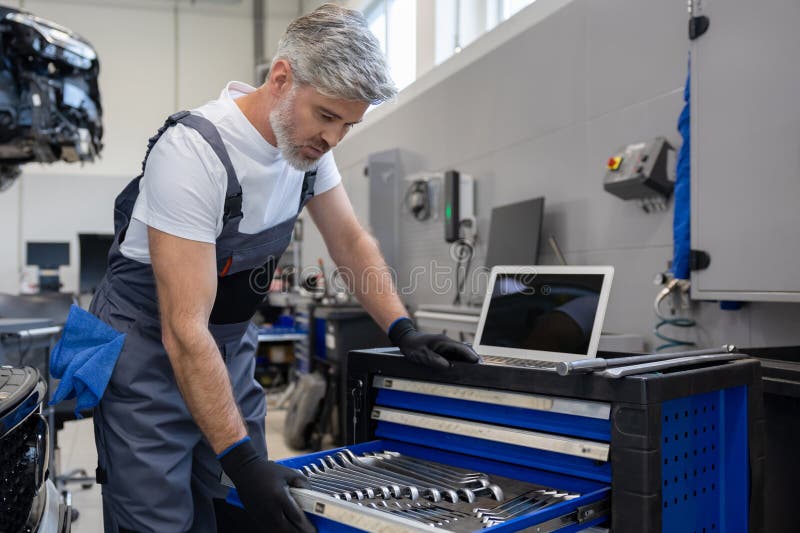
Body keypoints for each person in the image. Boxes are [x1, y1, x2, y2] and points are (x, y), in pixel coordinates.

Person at [89, 4, 479, 533]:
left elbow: (350, 242)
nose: (335, 138)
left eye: (348, 124)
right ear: (281, 78)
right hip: (148, 352)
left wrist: (402, 327)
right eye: (326, 116)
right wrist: (243, 459)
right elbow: (183, 328)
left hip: (224, 346)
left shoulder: (311, 152)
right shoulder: (194, 154)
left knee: (241, 512)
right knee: (158, 517)